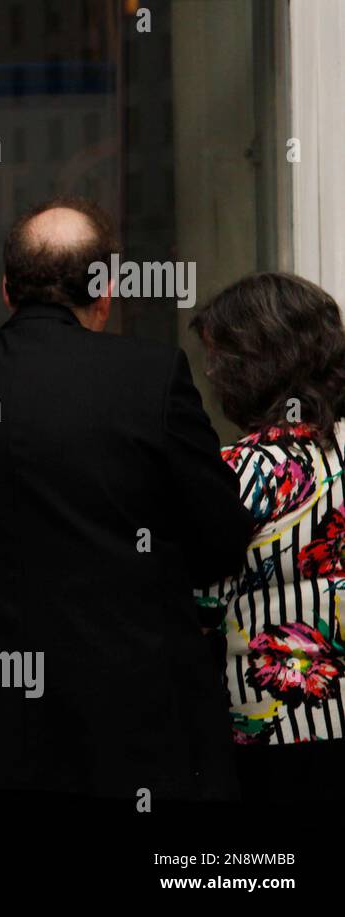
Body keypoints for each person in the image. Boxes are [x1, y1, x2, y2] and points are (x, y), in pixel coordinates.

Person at [0, 198, 253, 825]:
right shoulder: (152, 375)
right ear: (106, 291)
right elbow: (221, 537)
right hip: (136, 731)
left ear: (7, 291)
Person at [191, 272, 345, 811]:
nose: (210, 373)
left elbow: (200, 607)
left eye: (217, 357)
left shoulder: (236, 473)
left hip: (269, 737)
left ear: (251, 364)